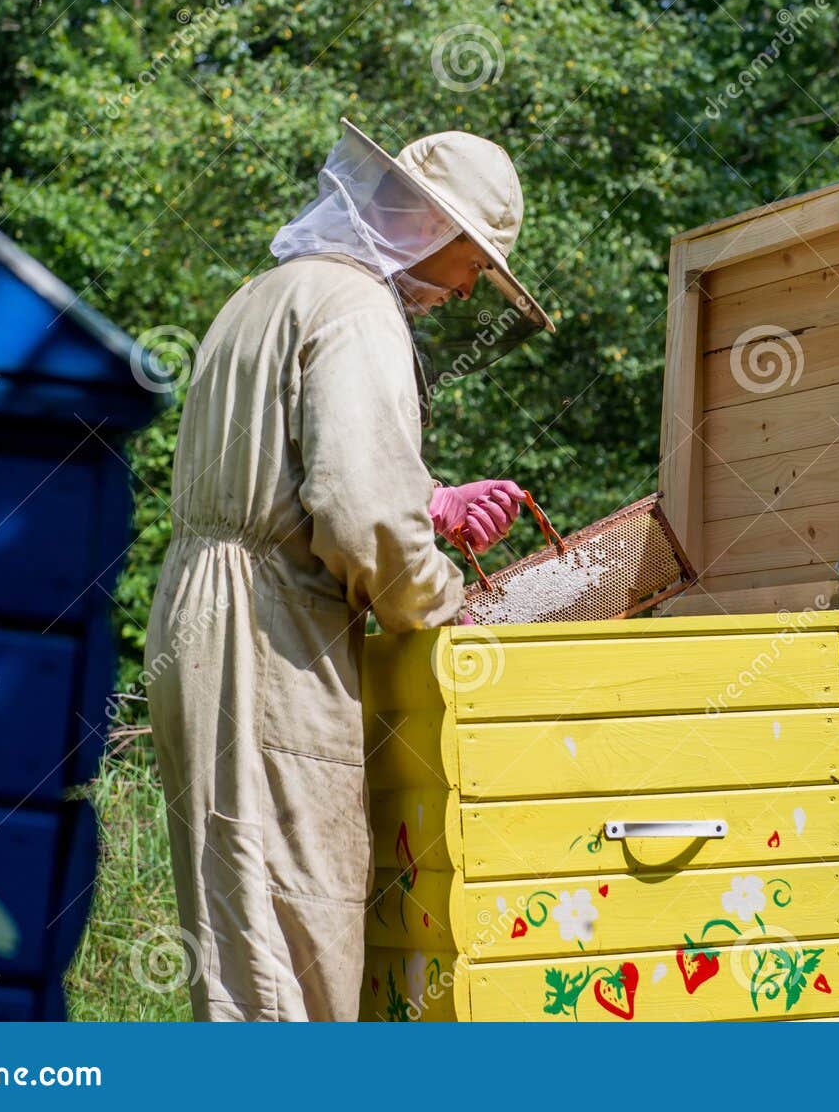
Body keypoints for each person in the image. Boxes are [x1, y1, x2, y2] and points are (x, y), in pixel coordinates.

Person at [144, 118, 554, 1021]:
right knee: (289, 932)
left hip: (202, 614)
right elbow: (360, 512)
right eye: (477, 264)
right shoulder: (360, 306)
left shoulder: (268, 292)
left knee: (238, 916)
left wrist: (432, 499)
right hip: (267, 638)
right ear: (438, 231)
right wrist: (445, 610)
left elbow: (289, 472)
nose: (471, 287)